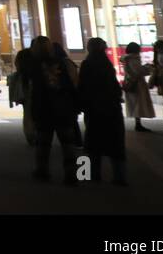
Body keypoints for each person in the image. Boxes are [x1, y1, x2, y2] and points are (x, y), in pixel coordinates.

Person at [28, 35, 79, 184]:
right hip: (63, 108)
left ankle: (42, 171)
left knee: (43, 143)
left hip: (44, 110)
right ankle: (72, 175)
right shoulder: (61, 63)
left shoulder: (35, 66)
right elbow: (69, 85)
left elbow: (35, 91)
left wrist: (33, 112)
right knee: (68, 143)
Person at [78, 37, 126, 185]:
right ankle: (120, 177)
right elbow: (114, 88)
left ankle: (88, 175)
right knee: (116, 145)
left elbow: (82, 87)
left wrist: (81, 105)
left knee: (92, 144)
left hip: (93, 110)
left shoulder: (87, 64)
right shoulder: (106, 64)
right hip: (112, 109)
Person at [121, 42, 155, 132]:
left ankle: (138, 123)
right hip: (136, 84)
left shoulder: (127, 58)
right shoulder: (133, 59)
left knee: (134, 103)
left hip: (130, 82)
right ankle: (138, 124)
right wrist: (148, 68)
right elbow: (138, 71)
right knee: (138, 103)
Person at [10, 45, 37, 145]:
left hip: (24, 92)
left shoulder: (21, 74)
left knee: (27, 113)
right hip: (34, 93)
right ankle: (35, 133)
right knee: (34, 113)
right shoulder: (35, 70)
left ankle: (29, 134)